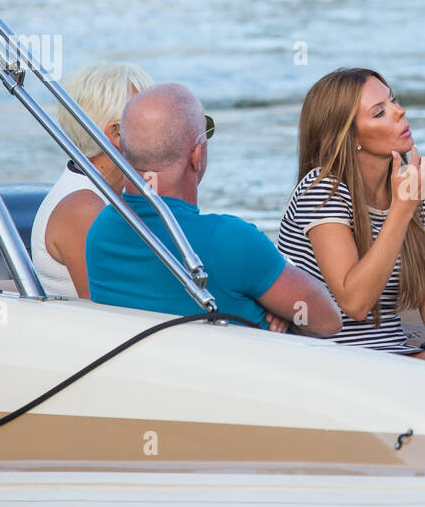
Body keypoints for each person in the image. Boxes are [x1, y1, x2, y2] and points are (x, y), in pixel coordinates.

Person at [278, 68, 425, 372]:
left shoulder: (421, 186)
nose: (400, 111)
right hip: (327, 359)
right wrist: (401, 209)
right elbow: (355, 303)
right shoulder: (322, 191)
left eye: (393, 101)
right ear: (351, 137)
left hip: (391, 351)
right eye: (379, 112)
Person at [85, 83, 341, 336]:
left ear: (124, 149)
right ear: (196, 155)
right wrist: (275, 309)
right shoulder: (230, 239)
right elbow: (327, 320)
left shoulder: (101, 231)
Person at [31, 61, 154, 299]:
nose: (162, 130)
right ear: (117, 133)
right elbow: (116, 306)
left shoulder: (105, 193)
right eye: (151, 122)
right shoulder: (84, 208)